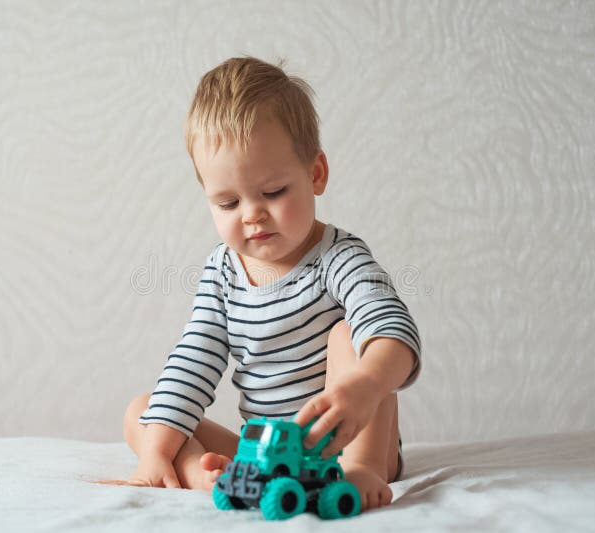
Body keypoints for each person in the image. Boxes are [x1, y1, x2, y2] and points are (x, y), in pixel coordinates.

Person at [100, 56, 421, 512]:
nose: (251, 214)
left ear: (315, 174)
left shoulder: (339, 258)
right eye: (228, 202)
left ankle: (361, 469)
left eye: (273, 192)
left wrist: (366, 386)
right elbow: (195, 359)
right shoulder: (223, 272)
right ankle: (195, 470)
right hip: (268, 451)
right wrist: (156, 451)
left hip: (345, 444)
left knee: (351, 335)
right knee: (143, 410)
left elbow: (394, 330)